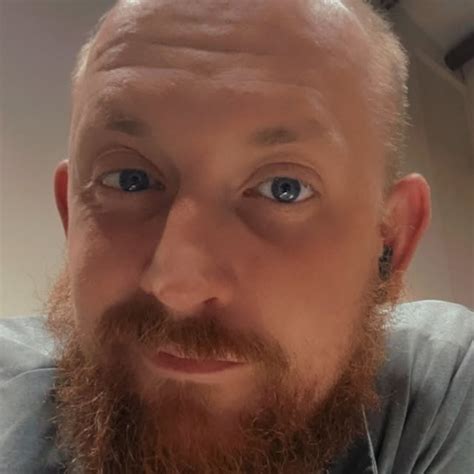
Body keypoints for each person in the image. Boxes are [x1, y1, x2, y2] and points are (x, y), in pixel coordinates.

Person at [0, 0, 472, 472]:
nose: (180, 286)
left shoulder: (442, 386)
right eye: (129, 180)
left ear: (389, 242)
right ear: (70, 216)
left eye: (284, 188)